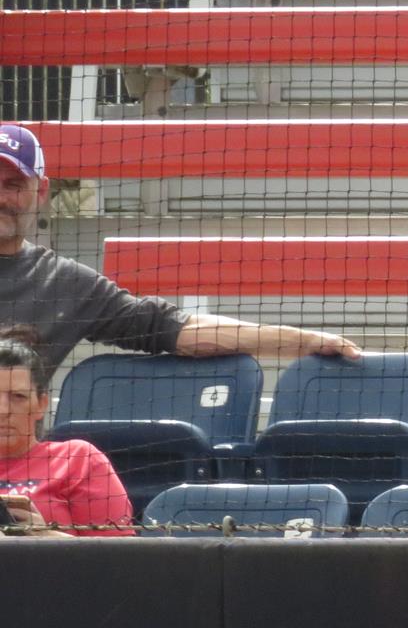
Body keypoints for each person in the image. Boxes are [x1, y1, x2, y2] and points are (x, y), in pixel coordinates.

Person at [0, 122, 360, 378]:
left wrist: (305, 341)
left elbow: (178, 330)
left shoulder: (63, 284)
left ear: (42, 191)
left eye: (14, 184)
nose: (1, 197)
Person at [0, 332, 132, 535]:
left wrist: (46, 536)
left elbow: (120, 559)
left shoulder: (77, 459)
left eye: (18, 397)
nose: (3, 410)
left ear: (41, 404)